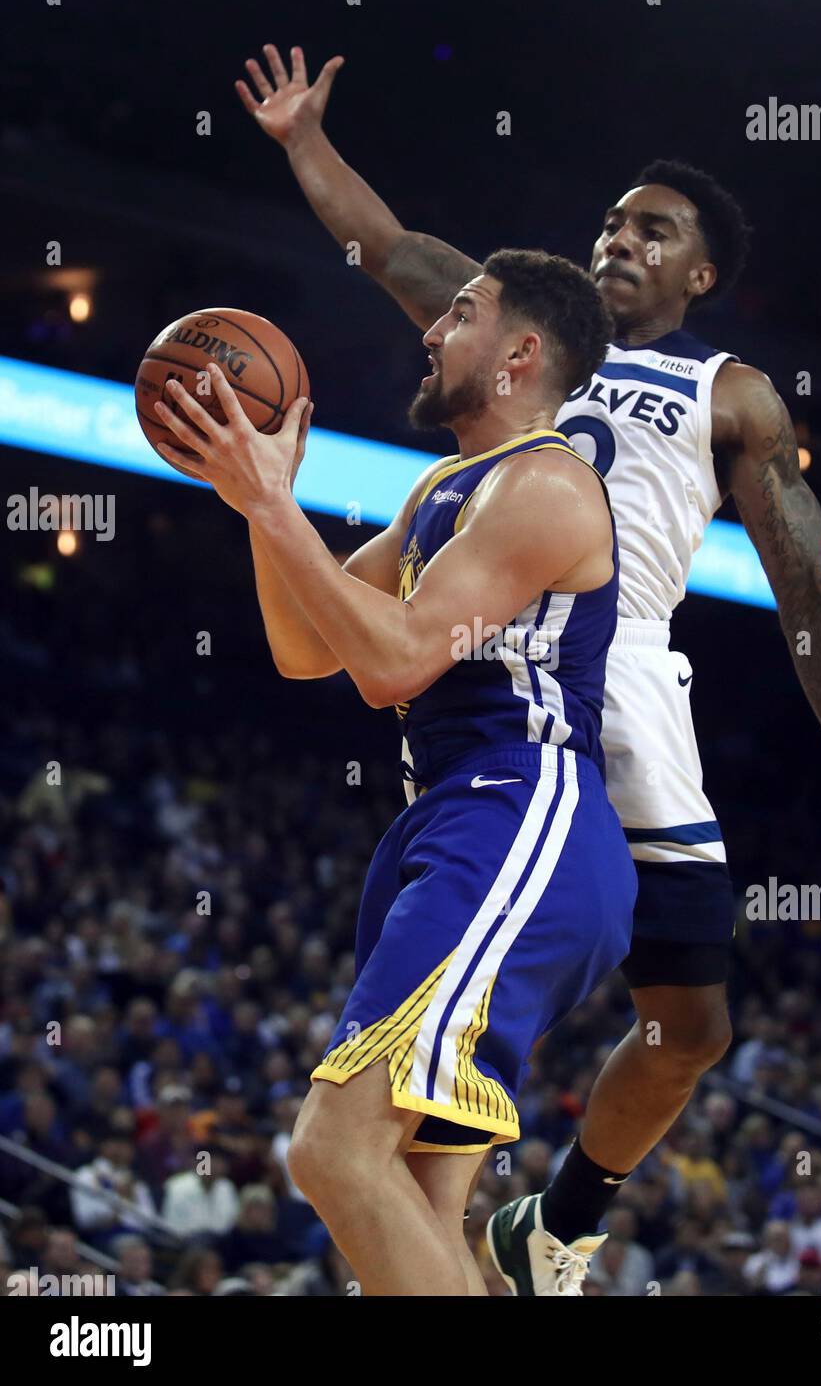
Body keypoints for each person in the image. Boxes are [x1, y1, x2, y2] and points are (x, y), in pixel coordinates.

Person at [234, 45, 821, 1294]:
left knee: (690, 1026)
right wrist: (304, 145)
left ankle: (558, 1224)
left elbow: (810, 592)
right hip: (488, 673)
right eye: (612, 221)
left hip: (615, 676)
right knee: (402, 1160)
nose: (619, 240)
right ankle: (487, 1214)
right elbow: (387, 243)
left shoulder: (726, 392)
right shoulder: (509, 331)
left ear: (700, 272)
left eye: (652, 230)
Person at [152, 247, 635, 1296]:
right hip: (450, 826)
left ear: (520, 352)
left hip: (521, 814)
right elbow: (306, 644)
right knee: (412, 1215)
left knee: (329, 1150)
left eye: (460, 313)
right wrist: (260, 503)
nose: (430, 330)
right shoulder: (441, 487)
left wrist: (278, 511)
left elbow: (392, 661)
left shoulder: (546, 484)